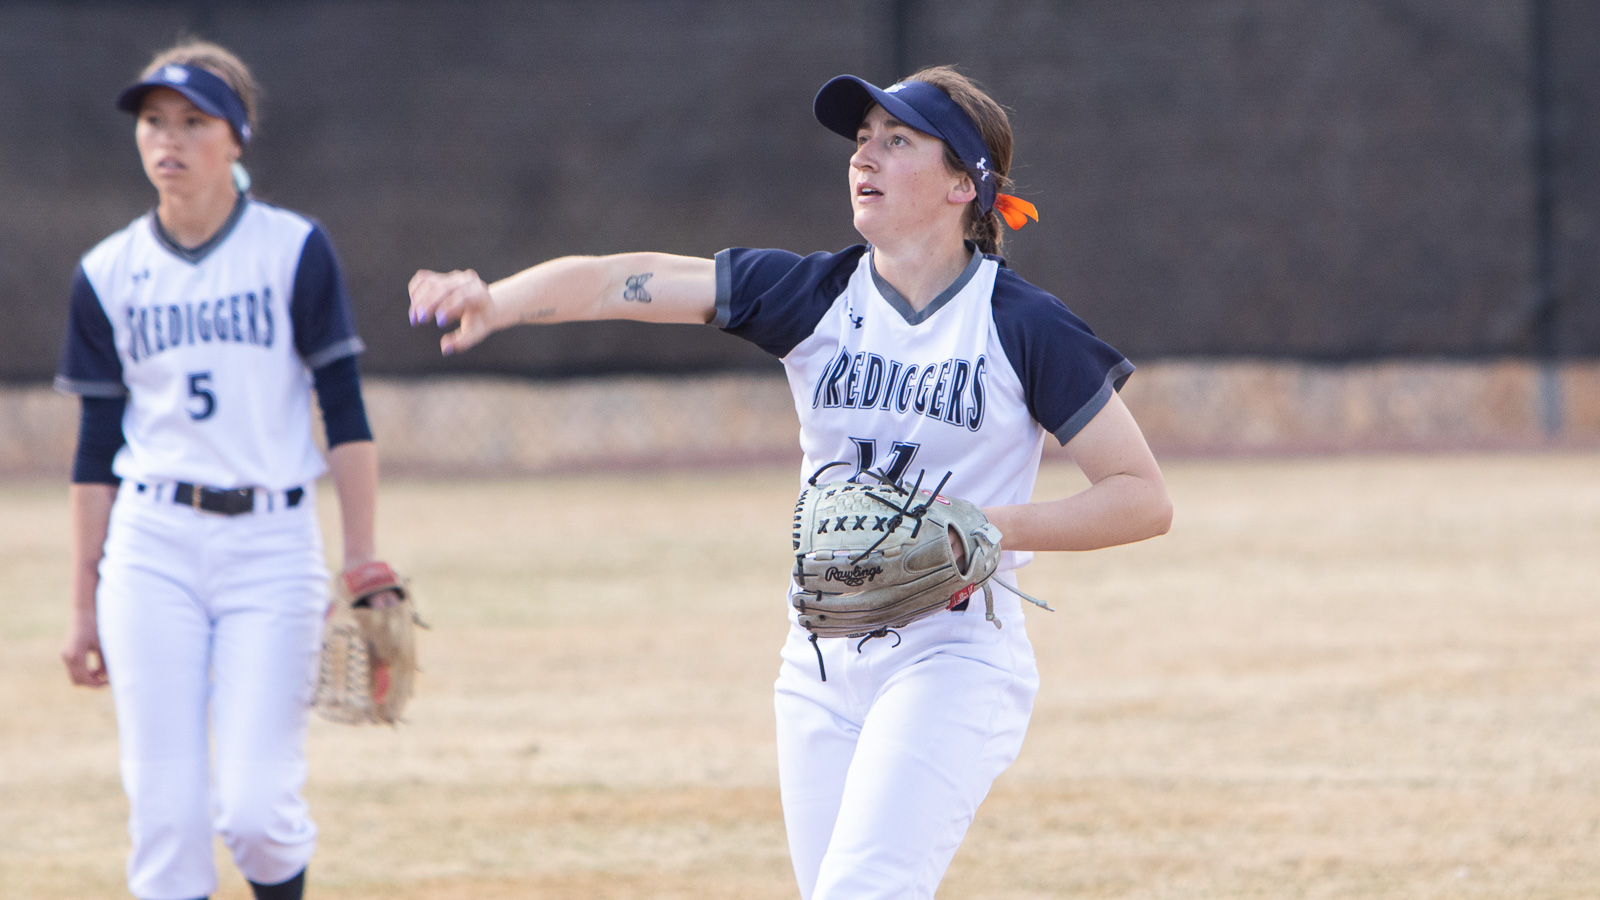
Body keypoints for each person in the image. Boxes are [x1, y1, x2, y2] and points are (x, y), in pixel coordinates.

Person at [408, 65, 1172, 899]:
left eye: (898, 141)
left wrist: (982, 527)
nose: (865, 158)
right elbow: (613, 280)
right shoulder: (814, 295)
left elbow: (1141, 495)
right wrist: (497, 299)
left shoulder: (1019, 323)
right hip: (817, 659)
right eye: (861, 141)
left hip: (953, 657)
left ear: (964, 183)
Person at [56, 39, 396, 900]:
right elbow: (97, 449)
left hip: (271, 545)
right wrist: (80, 602)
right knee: (166, 821)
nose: (166, 139)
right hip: (151, 543)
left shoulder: (292, 250)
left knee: (256, 812)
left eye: (192, 122)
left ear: (235, 139)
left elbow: (344, 412)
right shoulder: (107, 272)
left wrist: (361, 559)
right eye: (152, 122)